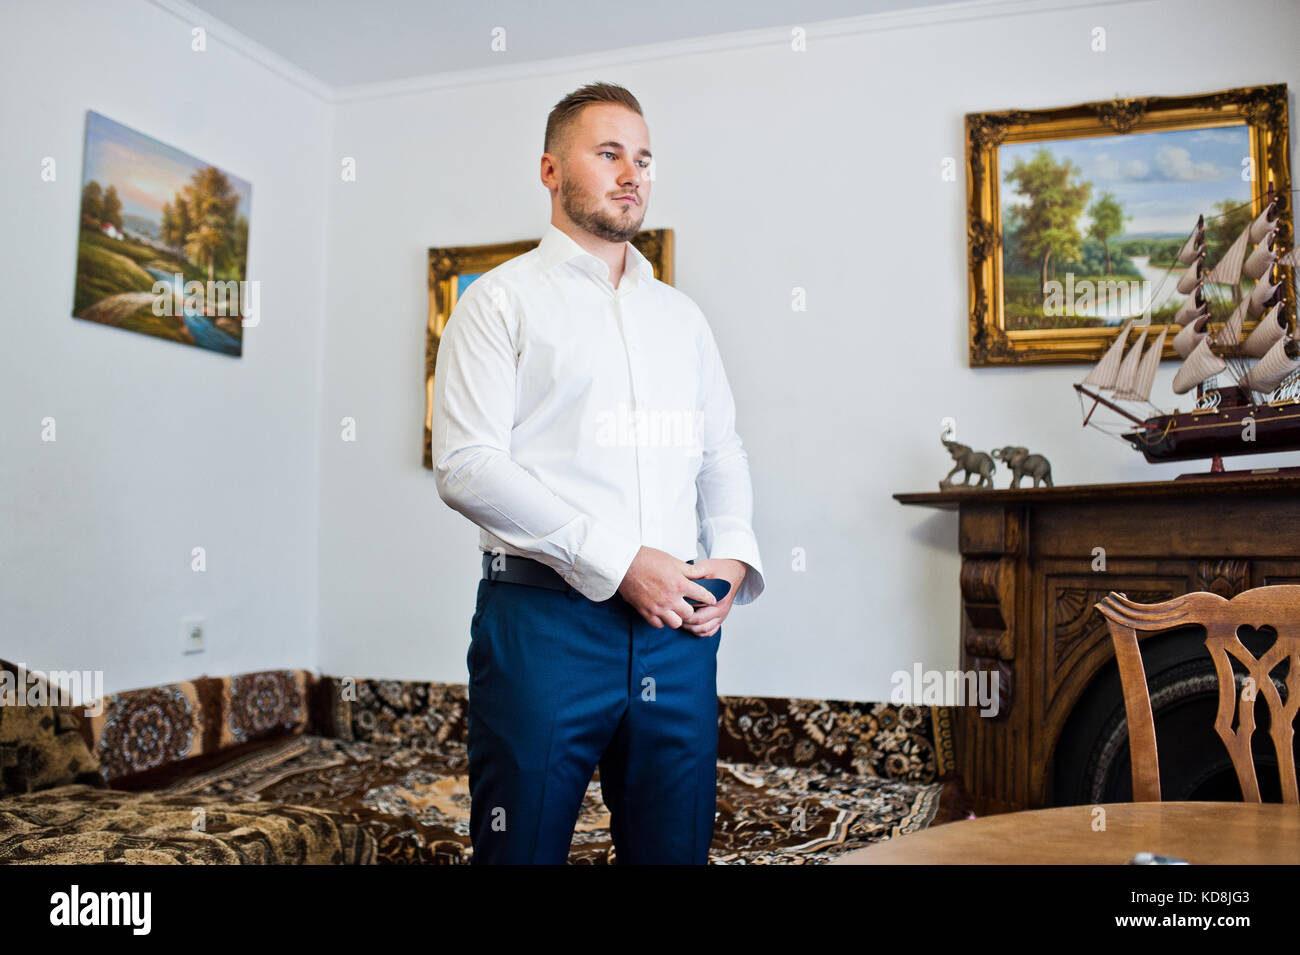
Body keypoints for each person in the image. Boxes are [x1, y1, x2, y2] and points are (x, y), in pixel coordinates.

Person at [431, 81, 764, 865]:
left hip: (677, 632)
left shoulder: (683, 319)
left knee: (672, 853)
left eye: (643, 159)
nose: (632, 173)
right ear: (551, 169)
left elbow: (722, 452)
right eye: (608, 153)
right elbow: (468, 465)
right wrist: (619, 564)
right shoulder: (499, 303)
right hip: (543, 626)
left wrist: (736, 557)